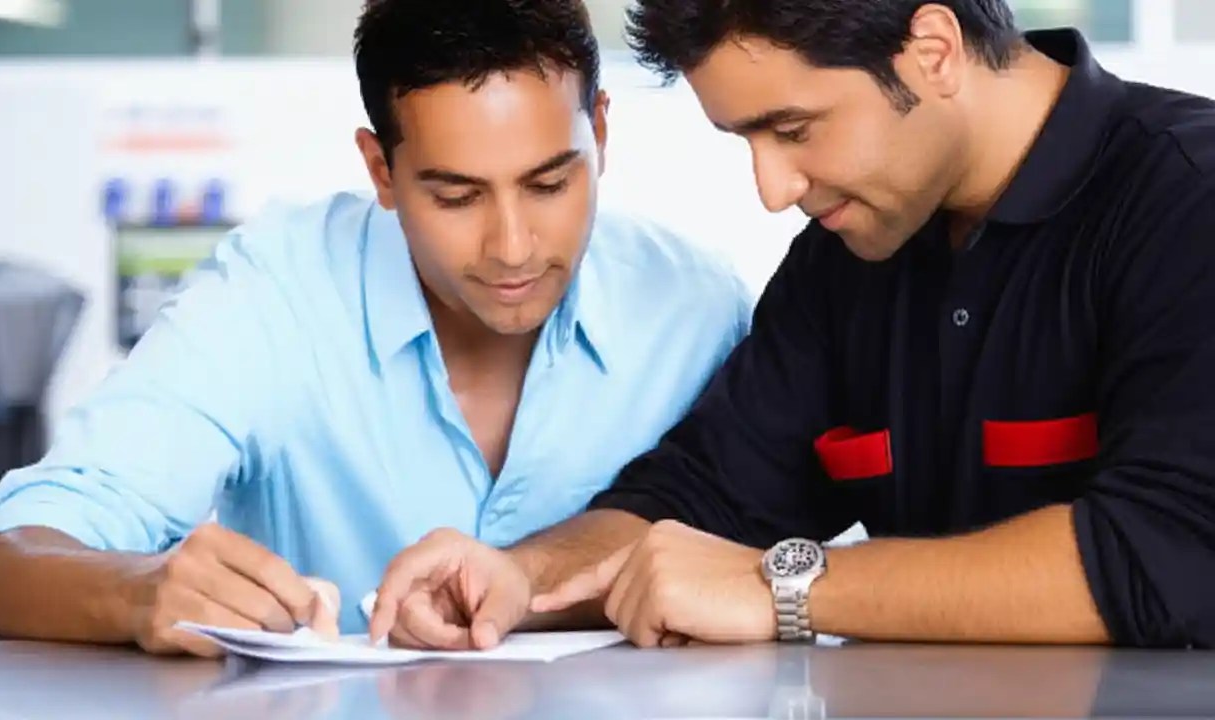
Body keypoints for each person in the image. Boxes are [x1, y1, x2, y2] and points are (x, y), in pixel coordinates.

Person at [371, 0, 1215, 650]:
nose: (773, 189)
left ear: (934, 51)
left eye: (793, 130)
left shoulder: (1187, 197)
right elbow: (697, 497)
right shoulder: (846, 258)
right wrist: (518, 580)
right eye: (746, 140)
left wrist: (783, 586)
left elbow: (1175, 550)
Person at [0, 0, 750, 657]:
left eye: (549, 183)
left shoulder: (698, 312)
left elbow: (790, 570)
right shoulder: (279, 293)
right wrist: (135, 592)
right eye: (456, 196)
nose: (513, 246)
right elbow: (0, 563)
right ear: (381, 171)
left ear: (600, 135)